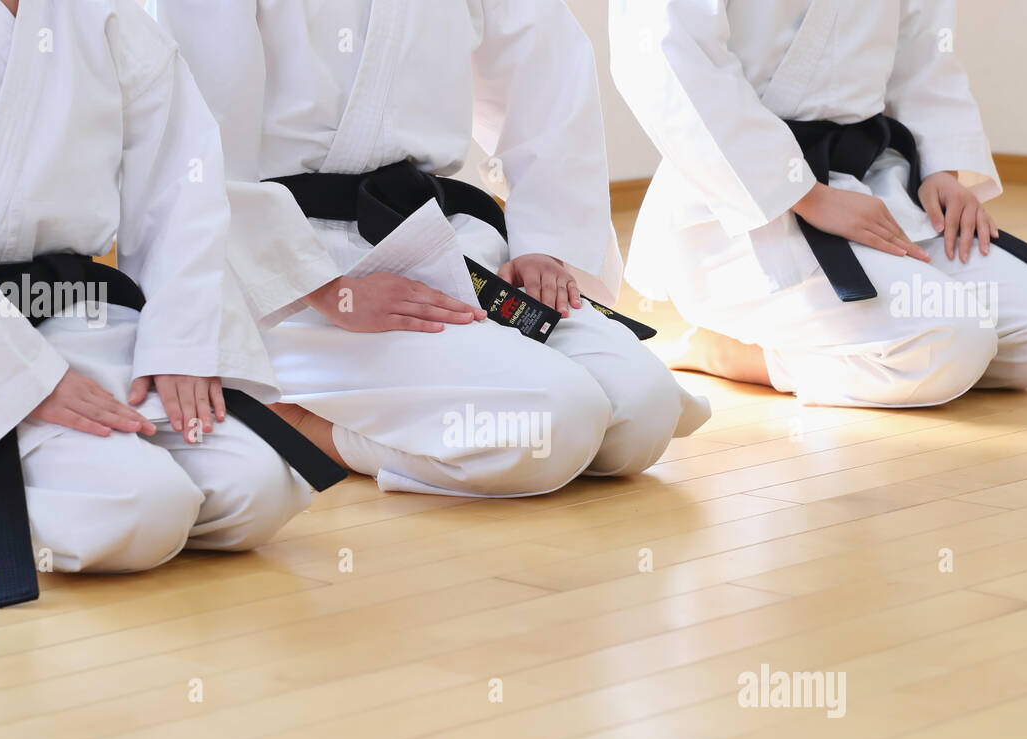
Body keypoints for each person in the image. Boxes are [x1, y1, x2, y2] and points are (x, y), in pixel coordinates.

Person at [150, 0, 711, 499]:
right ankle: (296, 421)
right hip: (283, 271)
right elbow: (197, 140)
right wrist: (330, 291)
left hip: (431, 233)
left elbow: (543, 70)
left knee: (642, 412)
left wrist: (545, 242)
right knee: (553, 424)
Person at [0, 0, 316, 594]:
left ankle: (78, 498)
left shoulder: (108, 21)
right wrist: (22, 377)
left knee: (260, 491)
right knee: (141, 511)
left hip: (90, 326)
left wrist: (180, 342)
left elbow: (180, 191)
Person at [610, 0, 1027, 408]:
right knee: (950, 345)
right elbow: (662, 58)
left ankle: (867, 348)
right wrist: (804, 193)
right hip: (747, 202)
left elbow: (922, 49)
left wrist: (942, 165)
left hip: (874, 183)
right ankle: (733, 354)